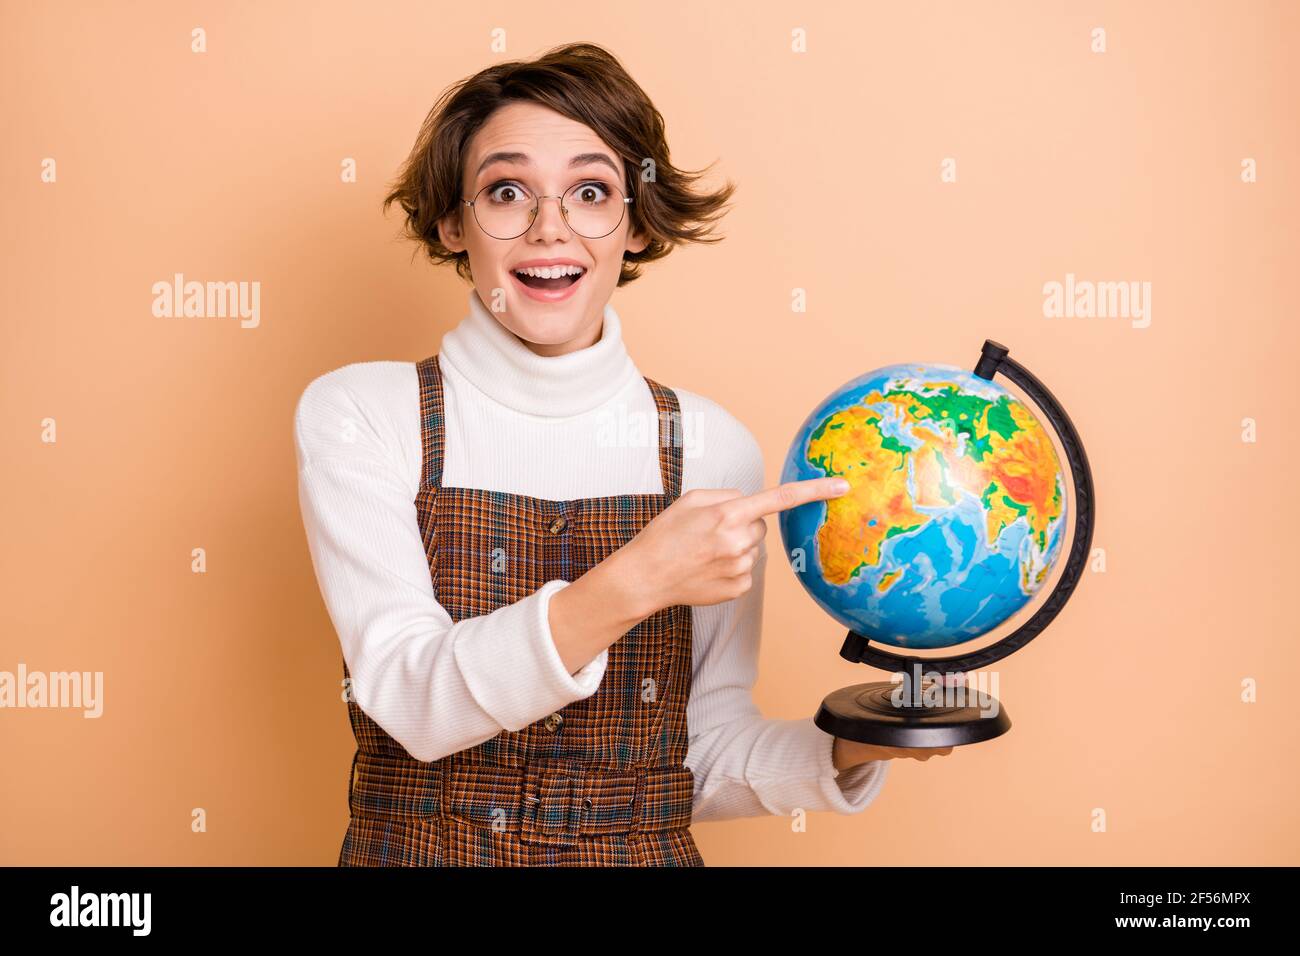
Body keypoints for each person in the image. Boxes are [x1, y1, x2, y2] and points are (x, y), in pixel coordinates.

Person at [294, 41, 949, 867]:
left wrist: (860, 743)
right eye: (506, 191)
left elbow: (696, 756)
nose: (550, 228)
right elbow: (412, 704)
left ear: (636, 225)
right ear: (453, 223)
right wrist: (637, 579)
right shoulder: (364, 413)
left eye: (591, 192)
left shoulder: (710, 446)